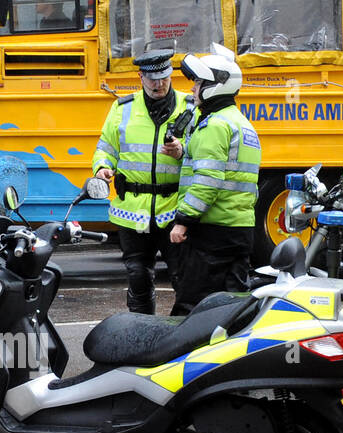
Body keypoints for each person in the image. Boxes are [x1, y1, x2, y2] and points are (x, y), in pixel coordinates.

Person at [92, 48, 189, 314]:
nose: (159, 85)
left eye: (164, 78)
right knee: (138, 276)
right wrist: (102, 168)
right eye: (152, 79)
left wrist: (183, 151)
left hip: (174, 208)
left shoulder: (189, 106)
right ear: (140, 77)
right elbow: (106, 148)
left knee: (183, 277)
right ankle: (140, 329)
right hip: (132, 210)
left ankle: (183, 337)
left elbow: (207, 153)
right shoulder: (122, 108)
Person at [168, 48, 260, 314]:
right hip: (238, 228)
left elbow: (208, 179)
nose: (194, 88)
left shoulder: (215, 125)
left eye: (199, 83)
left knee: (192, 307)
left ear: (216, 86)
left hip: (212, 232)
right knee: (233, 308)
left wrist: (184, 220)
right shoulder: (241, 124)